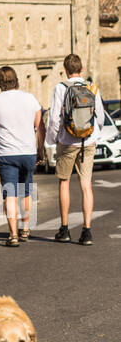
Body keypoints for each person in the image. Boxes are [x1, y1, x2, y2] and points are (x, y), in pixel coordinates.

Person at [0, 66, 44, 246]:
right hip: (28, 152)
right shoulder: (30, 99)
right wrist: (40, 149)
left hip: (6, 154)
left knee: (10, 194)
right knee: (26, 191)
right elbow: (40, 126)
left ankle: (13, 235)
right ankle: (25, 229)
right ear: (16, 79)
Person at [45, 53, 105, 245]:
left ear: (65, 70)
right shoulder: (92, 87)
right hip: (88, 141)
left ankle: (64, 229)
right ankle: (87, 231)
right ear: (82, 69)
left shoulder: (60, 88)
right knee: (86, 185)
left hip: (67, 142)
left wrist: (52, 140)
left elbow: (55, 119)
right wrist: (93, 134)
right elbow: (101, 118)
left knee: (64, 182)